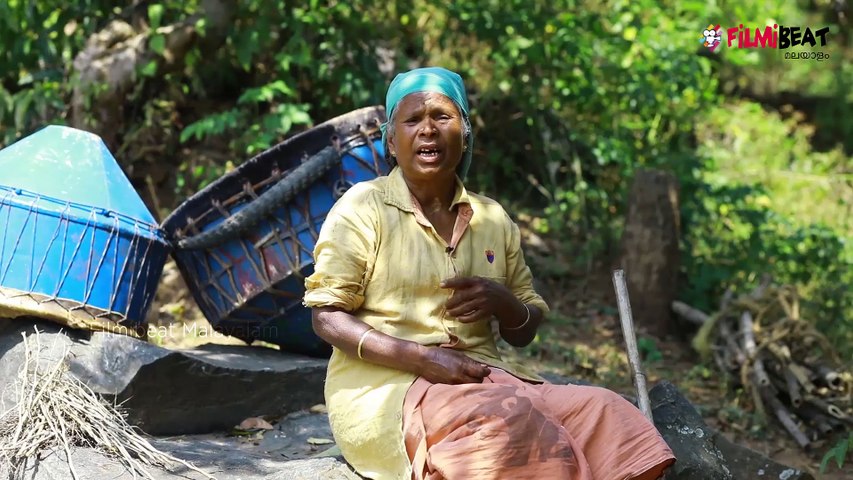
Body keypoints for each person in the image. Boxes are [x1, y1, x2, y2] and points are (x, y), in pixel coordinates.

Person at [303, 67, 675, 480]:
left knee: (610, 414)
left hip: (487, 381)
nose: (428, 130)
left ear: (465, 134)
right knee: (508, 426)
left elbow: (524, 329)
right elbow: (327, 317)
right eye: (412, 120)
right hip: (392, 390)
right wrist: (423, 358)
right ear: (392, 141)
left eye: (443, 117)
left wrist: (505, 303)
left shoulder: (492, 218)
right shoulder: (364, 207)